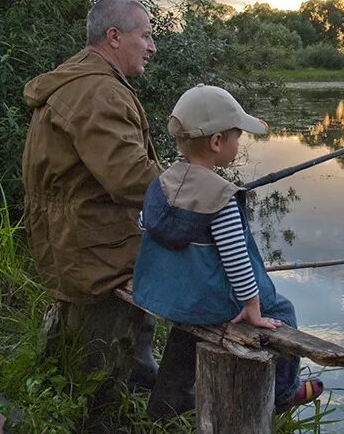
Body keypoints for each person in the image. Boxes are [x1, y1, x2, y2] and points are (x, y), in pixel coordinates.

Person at [132, 84, 323, 418]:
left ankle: (168, 401)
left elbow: (144, 224)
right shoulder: (221, 200)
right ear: (217, 142)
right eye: (237, 136)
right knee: (282, 309)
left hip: (165, 294)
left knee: (195, 317)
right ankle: (284, 393)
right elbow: (236, 259)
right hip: (206, 303)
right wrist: (252, 305)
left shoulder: (162, 183)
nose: (239, 142)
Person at [21, 0, 161, 400]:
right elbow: (131, 177)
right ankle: (107, 410)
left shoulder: (75, 81)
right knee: (97, 377)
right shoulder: (99, 92)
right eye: (146, 36)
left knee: (92, 354)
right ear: (114, 37)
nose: (152, 47)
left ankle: (132, 385)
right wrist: (196, 187)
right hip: (95, 253)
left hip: (72, 240)